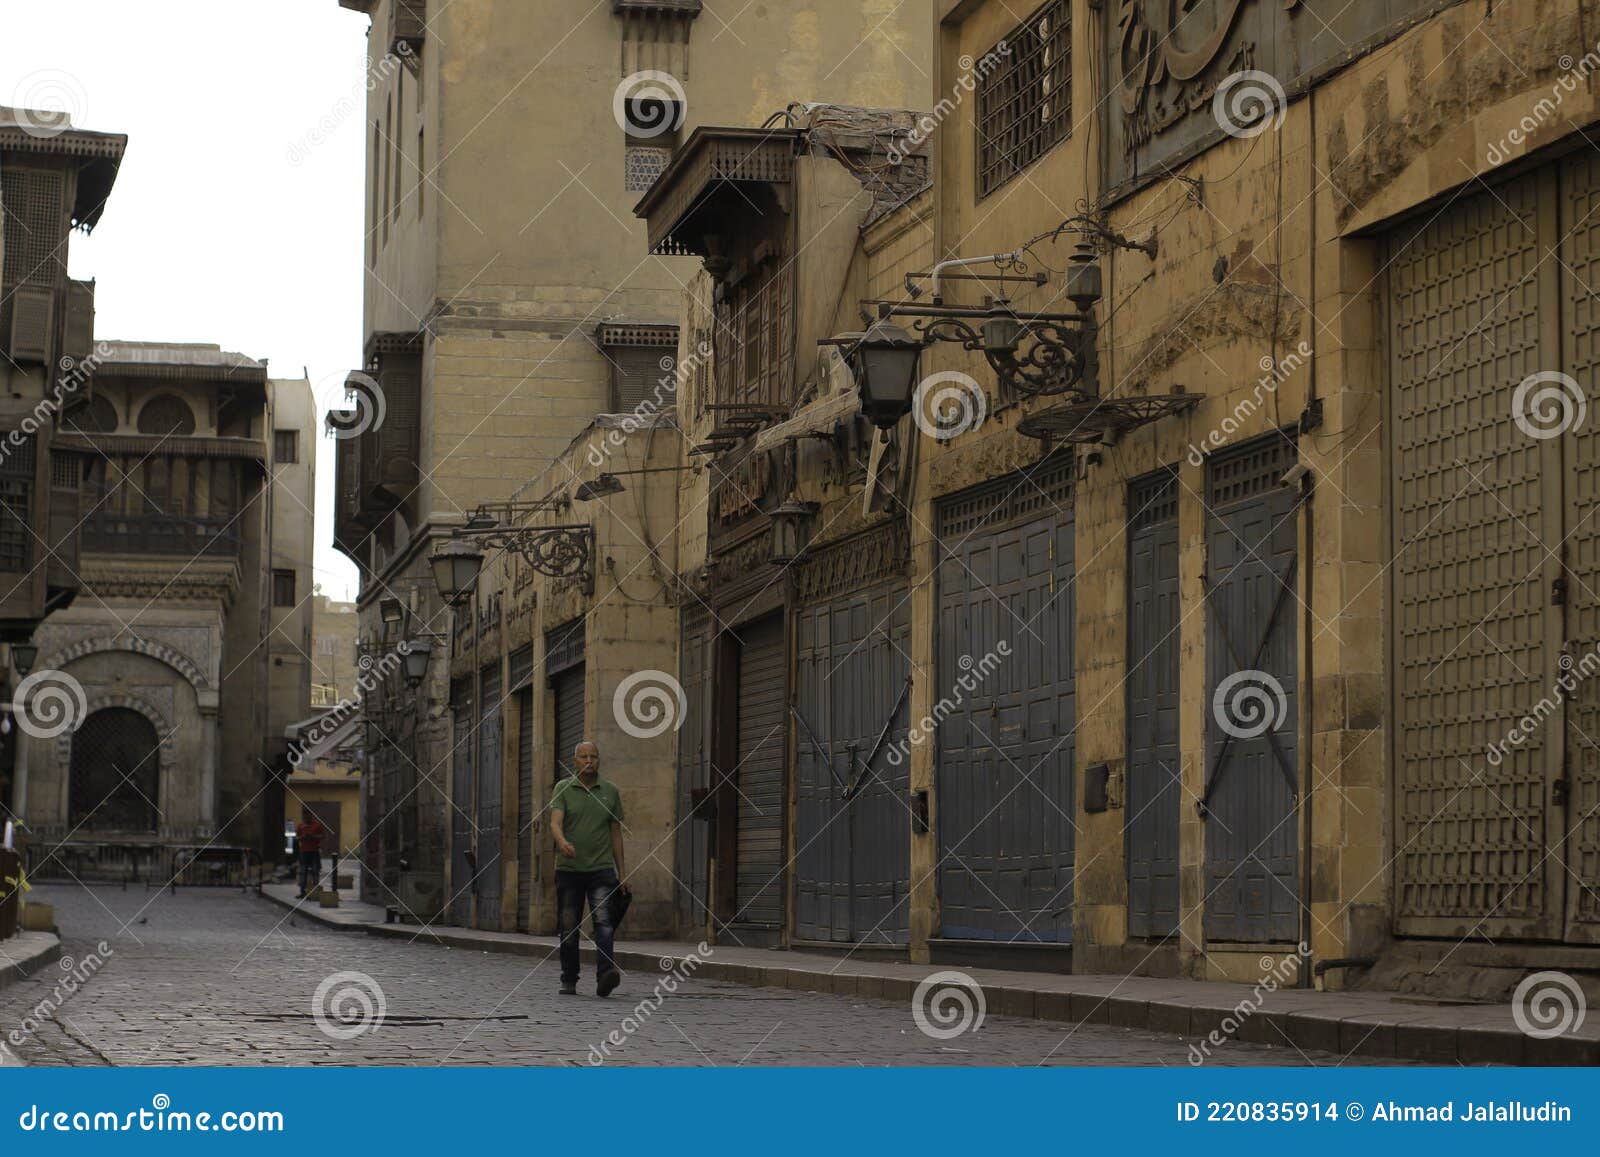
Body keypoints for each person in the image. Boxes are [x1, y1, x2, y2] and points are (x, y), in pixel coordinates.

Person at [549, 740, 629, 997]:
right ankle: (569, 978)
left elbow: (616, 834)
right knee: (569, 925)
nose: (589, 761)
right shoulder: (563, 788)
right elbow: (555, 823)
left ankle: (606, 974)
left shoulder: (610, 791)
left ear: (599, 760)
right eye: (583, 757)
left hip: (601, 869)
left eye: (593, 756)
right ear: (575, 761)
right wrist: (562, 842)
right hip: (569, 870)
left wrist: (622, 873)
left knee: (604, 923)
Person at [295, 811, 327, 899]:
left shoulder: (317, 825)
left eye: (308, 816)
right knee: (303, 871)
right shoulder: (300, 826)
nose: (306, 818)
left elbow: (323, 836)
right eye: (305, 817)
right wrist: (303, 837)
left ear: (311, 816)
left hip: (314, 851)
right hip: (303, 852)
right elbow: (297, 837)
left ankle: (315, 891)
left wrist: (313, 836)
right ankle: (302, 892)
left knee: (315, 870)